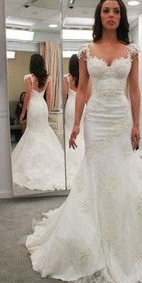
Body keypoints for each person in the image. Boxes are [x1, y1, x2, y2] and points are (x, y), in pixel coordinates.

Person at [25, 0, 142, 283]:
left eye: (116, 11)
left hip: (119, 118)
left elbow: (135, 90)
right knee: (96, 170)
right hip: (96, 119)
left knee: (124, 169)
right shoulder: (86, 50)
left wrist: (136, 125)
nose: (111, 15)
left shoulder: (131, 51)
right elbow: (81, 91)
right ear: (99, 15)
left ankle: (129, 229)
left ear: (121, 16)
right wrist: (77, 123)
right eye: (106, 11)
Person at [12, 54, 66, 191]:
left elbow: (28, 96)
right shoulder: (47, 78)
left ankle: (34, 164)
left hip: (33, 107)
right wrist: (47, 111)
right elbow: (48, 97)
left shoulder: (28, 78)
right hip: (42, 107)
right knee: (43, 132)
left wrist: (23, 113)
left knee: (33, 132)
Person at [63, 54, 85, 188]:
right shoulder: (85, 77)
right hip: (83, 105)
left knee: (69, 130)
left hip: (71, 105)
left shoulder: (67, 78)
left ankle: (71, 156)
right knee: (81, 131)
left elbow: (65, 95)